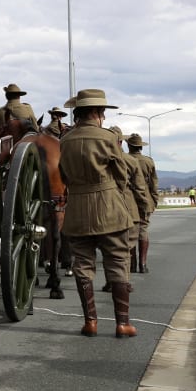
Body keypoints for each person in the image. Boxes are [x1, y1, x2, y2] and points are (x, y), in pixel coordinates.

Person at [59, 88, 136, 338]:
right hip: (109, 209)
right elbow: (122, 174)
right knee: (117, 262)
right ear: (96, 112)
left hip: (77, 211)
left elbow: (63, 175)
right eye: (102, 111)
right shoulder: (107, 138)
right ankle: (122, 323)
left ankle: (90, 322)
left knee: (82, 266)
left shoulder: (65, 139)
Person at [102, 127, 153, 292]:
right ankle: (126, 279)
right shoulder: (133, 161)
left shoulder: (100, 158)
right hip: (130, 207)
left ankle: (110, 281)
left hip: (106, 206)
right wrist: (145, 206)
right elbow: (141, 188)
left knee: (108, 247)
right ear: (121, 142)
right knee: (125, 248)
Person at [126, 133, 158, 273]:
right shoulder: (148, 161)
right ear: (140, 147)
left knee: (130, 231)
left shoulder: (124, 159)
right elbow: (154, 184)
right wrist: (154, 200)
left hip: (128, 199)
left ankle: (132, 264)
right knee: (143, 230)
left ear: (129, 145)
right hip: (146, 198)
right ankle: (143, 264)